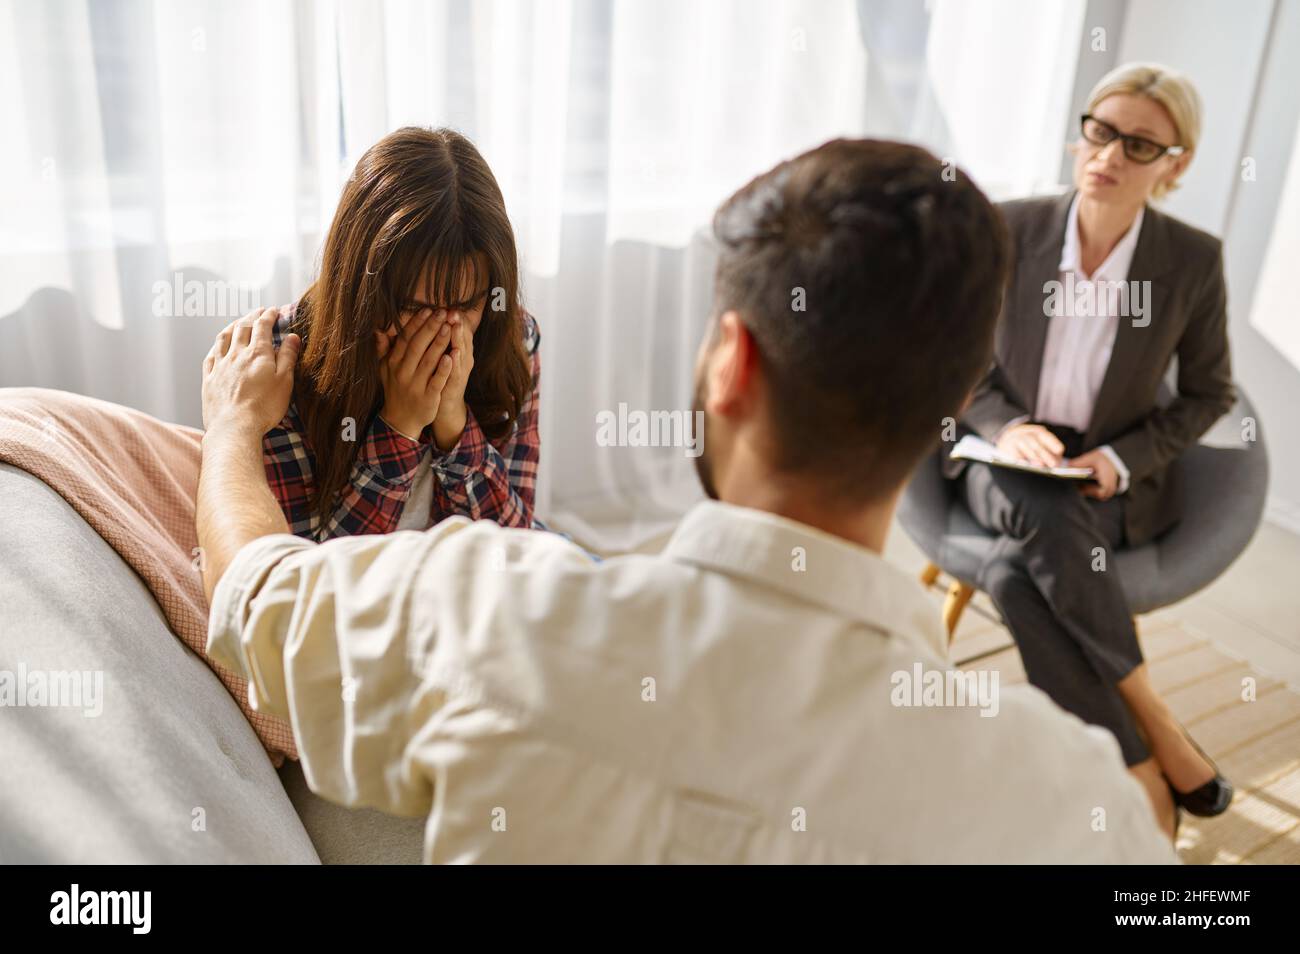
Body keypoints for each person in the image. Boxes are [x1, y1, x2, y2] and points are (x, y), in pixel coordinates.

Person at [196, 138, 1176, 863]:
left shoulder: (491, 606)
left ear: (730, 360)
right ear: (961, 400)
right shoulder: (1072, 806)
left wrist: (231, 431)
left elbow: (258, 598)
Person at [950, 63, 1234, 837]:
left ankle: (1128, 762)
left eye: (1139, 145)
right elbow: (953, 360)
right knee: (1036, 503)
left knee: (1013, 573)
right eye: (1100, 131)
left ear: (1175, 164)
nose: (1109, 154)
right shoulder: (1010, 230)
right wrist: (1007, 427)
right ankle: (1155, 728)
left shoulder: (1192, 262)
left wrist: (1119, 462)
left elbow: (1212, 394)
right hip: (1000, 458)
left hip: (1104, 476)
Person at [257, 127, 541, 541]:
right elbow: (308, 579)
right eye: (413, 308)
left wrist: (453, 423)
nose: (444, 331)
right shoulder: (278, 361)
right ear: (361, 286)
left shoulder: (513, 336)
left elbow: (518, 550)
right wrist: (400, 425)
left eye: (466, 305)